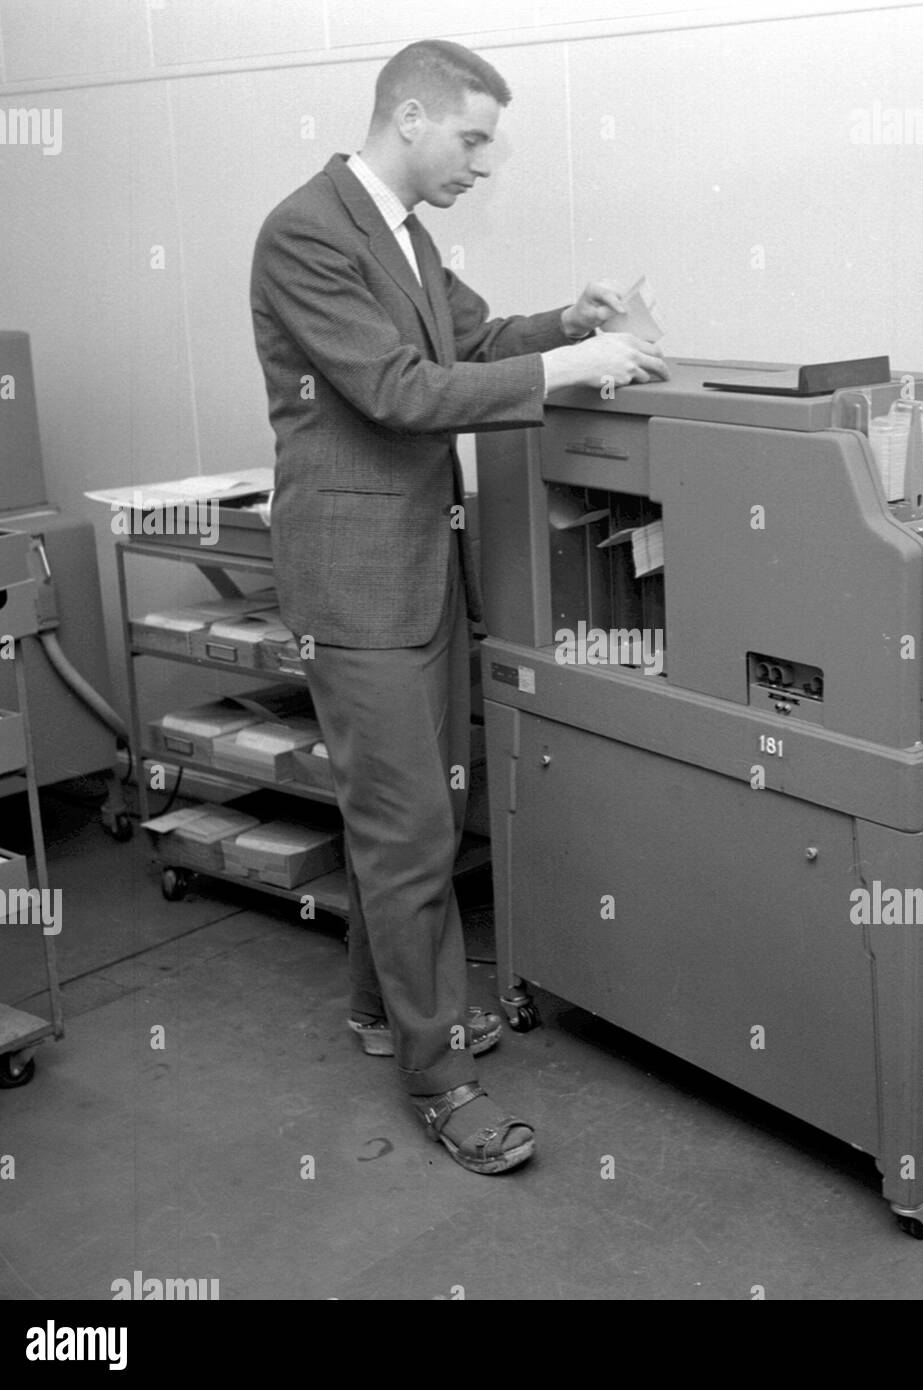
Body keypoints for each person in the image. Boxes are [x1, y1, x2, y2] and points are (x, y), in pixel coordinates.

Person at [250, 39, 668, 1175]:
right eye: (473, 139)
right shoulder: (307, 230)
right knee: (408, 826)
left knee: (405, 810)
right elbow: (396, 392)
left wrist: (568, 325)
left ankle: (386, 1012)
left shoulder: (407, 237)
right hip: (357, 579)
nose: (483, 165)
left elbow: (472, 344)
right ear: (414, 114)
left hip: (424, 569)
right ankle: (437, 1080)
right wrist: (583, 368)